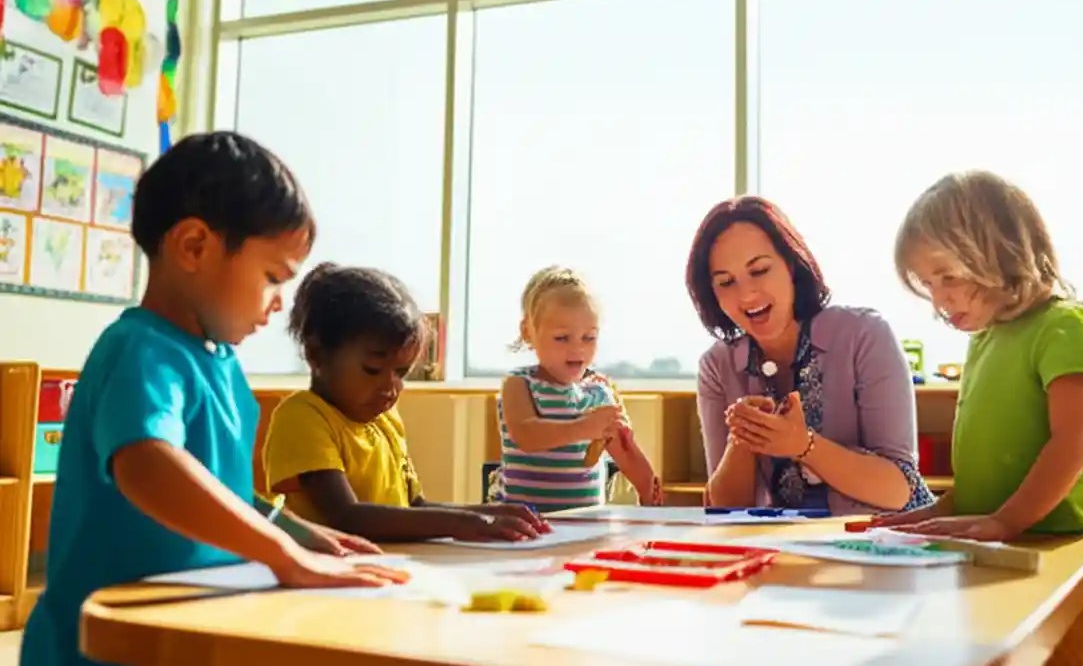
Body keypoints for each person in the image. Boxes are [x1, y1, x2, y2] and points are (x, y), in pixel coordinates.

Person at [20, 133, 406, 666]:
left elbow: (218, 488)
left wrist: (298, 531)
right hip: (105, 652)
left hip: (184, 636)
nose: (278, 304)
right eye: (273, 277)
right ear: (194, 247)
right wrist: (283, 556)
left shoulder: (219, 362)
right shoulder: (141, 350)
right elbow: (150, 466)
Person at [875, 170, 1083, 666]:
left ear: (1003, 253)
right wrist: (926, 515)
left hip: (1059, 551)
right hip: (996, 550)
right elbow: (986, 474)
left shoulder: (1065, 328)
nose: (939, 299)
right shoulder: (984, 341)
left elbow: (1073, 443)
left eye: (948, 277)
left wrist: (1006, 520)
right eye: (928, 285)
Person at [262, 263, 548, 541]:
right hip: (332, 576)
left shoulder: (385, 420)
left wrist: (490, 514)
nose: (390, 387)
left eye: (401, 373)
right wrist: (462, 523)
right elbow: (347, 517)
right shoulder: (302, 418)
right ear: (317, 355)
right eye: (372, 370)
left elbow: (413, 507)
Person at [686, 196, 933, 514]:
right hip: (786, 549)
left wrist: (804, 445)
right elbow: (726, 509)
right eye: (726, 282)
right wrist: (743, 440)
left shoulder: (864, 335)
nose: (746, 294)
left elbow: (899, 488)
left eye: (759, 270)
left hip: (883, 547)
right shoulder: (716, 367)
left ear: (790, 263)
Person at [497, 265, 662, 512]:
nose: (578, 349)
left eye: (589, 337)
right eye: (562, 338)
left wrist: (648, 489)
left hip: (588, 524)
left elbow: (625, 453)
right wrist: (584, 428)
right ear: (528, 333)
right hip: (525, 525)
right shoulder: (519, 384)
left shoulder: (598, 393)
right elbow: (526, 436)